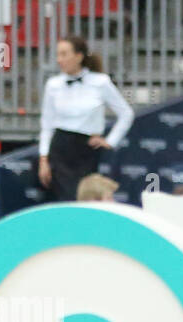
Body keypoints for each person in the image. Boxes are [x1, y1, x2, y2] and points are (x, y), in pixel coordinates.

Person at [38, 35, 134, 202]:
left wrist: (110, 141)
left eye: (64, 54)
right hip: (60, 147)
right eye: (58, 54)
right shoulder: (53, 84)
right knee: (65, 199)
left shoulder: (101, 82)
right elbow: (47, 125)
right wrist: (43, 159)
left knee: (86, 197)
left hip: (87, 149)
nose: (59, 59)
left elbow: (126, 113)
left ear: (79, 56)